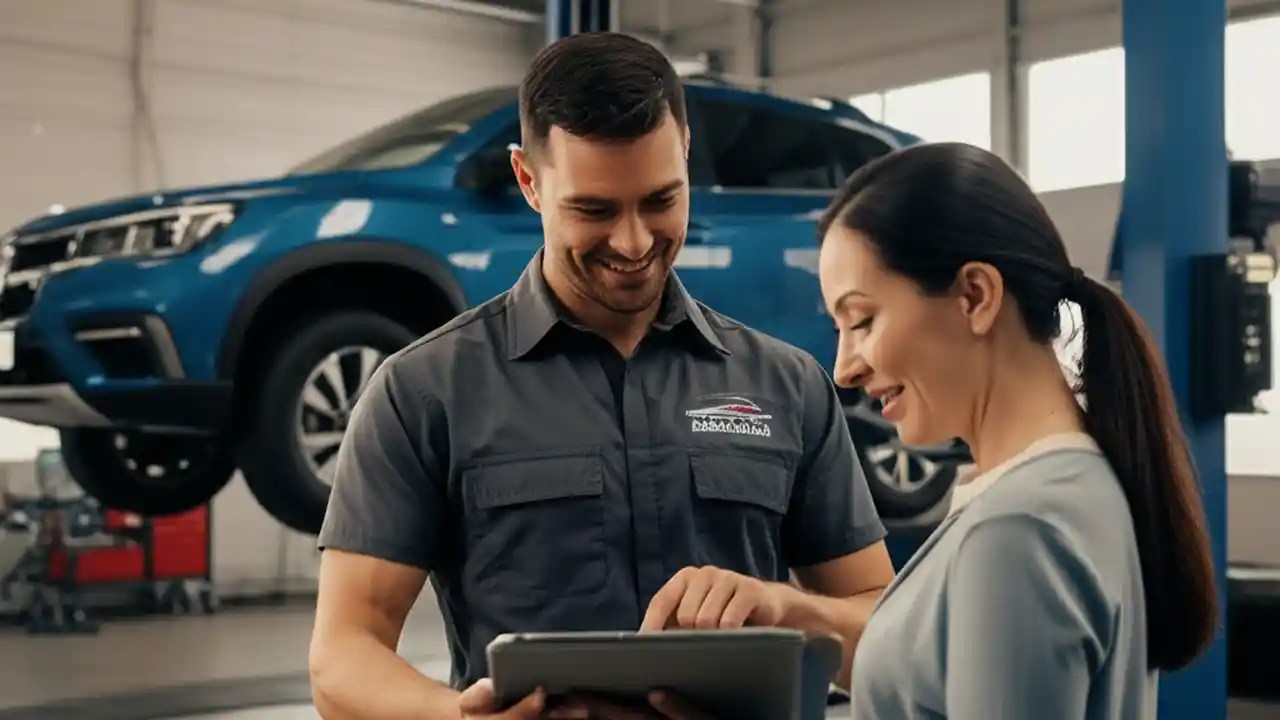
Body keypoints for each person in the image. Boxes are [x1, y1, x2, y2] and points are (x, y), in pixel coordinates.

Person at [308, 31, 894, 720]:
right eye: (594, 210)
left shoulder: (787, 386)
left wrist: (787, 607)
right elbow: (342, 657)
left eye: (660, 200)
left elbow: (887, 631)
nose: (633, 241)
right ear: (528, 180)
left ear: (685, 154)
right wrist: (457, 718)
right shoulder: (422, 393)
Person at [816, 142, 1218, 718]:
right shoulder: (1058, 492)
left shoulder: (1018, 528)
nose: (844, 369)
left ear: (975, 296)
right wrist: (801, 621)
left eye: (862, 320)